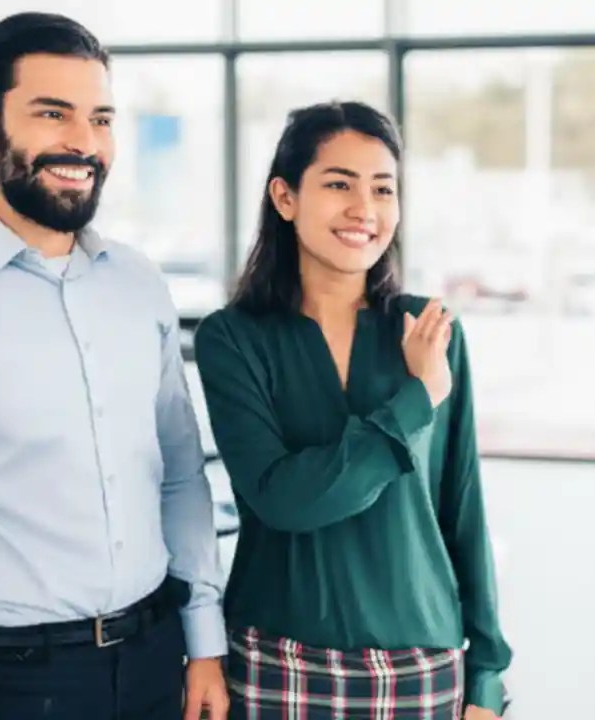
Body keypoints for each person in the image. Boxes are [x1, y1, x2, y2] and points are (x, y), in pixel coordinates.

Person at [0, 13, 229, 720]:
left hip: (155, 663)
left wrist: (202, 640)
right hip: (7, 685)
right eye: (52, 113)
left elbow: (179, 473)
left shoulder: (138, 284)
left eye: (100, 118)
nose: (83, 143)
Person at [194, 100, 512, 720]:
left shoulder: (431, 330)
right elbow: (284, 499)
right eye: (339, 184)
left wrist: (487, 677)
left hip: (421, 663)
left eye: (383, 189)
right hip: (274, 662)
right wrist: (416, 400)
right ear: (285, 197)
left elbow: (463, 507)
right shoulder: (232, 339)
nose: (364, 209)